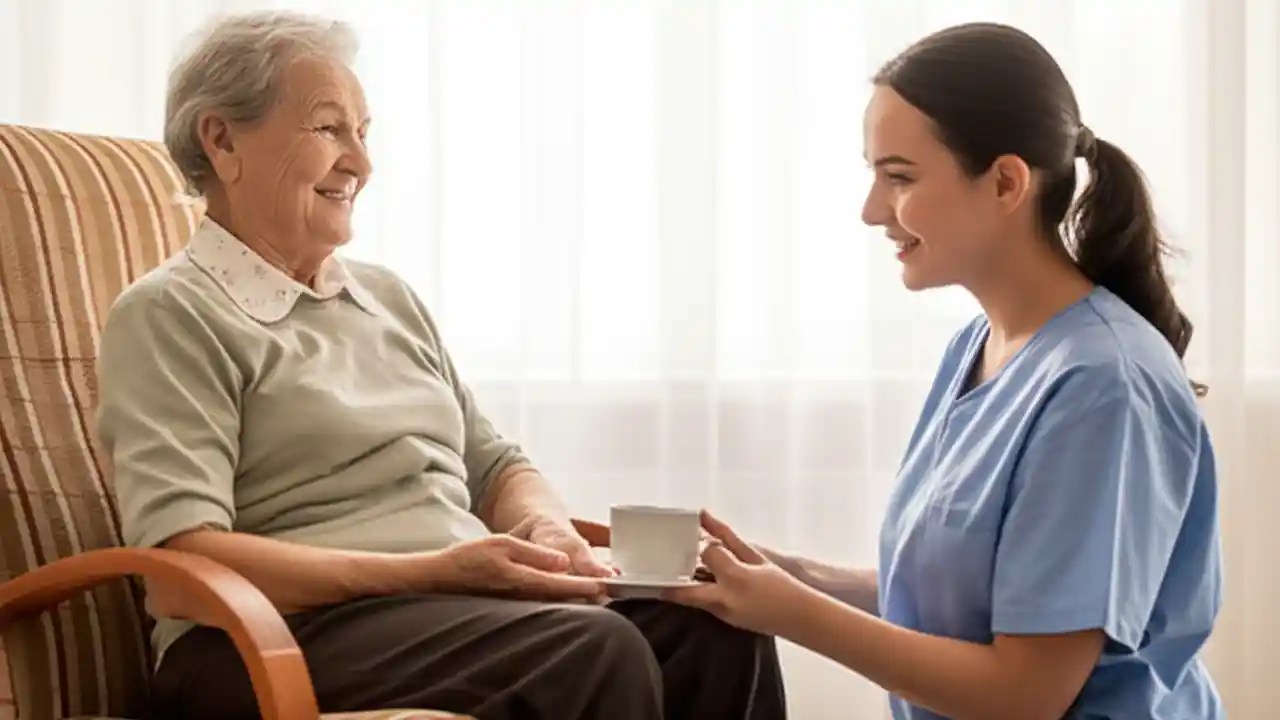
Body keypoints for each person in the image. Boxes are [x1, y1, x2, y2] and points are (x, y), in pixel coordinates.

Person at [95, 11, 784, 720]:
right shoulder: (172, 314)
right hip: (263, 639)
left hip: (444, 610)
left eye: (364, 134)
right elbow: (185, 567)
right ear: (222, 138)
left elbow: (495, 467)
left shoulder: (384, 297)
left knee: (715, 625)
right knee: (593, 647)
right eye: (330, 128)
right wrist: (430, 570)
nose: (360, 163)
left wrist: (547, 529)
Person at [667, 22, 1224, 720]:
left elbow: (1025, 694)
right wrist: (782, 576)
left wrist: (790, 614)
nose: (872, 211)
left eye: (898, 177)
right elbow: (965, 603)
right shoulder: (980, 347)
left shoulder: (1103, 385)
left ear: (1004, 182)